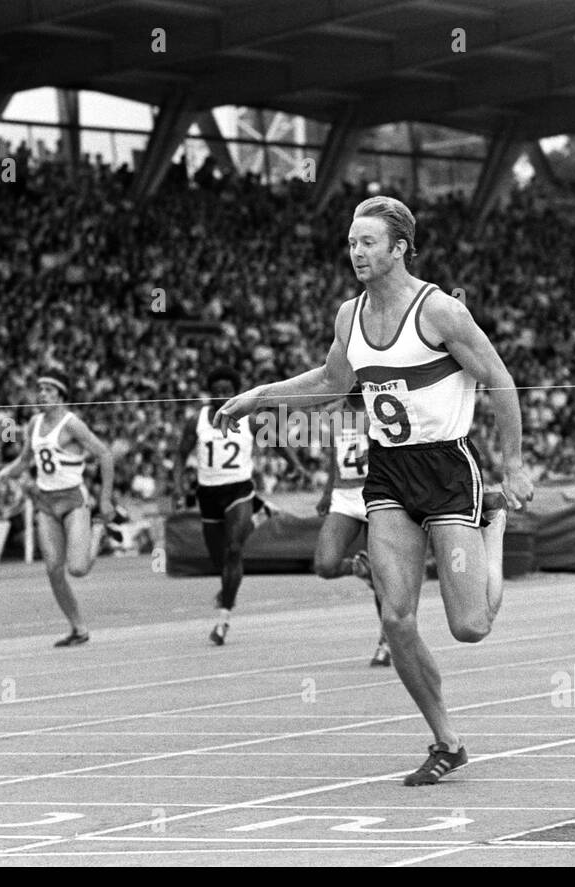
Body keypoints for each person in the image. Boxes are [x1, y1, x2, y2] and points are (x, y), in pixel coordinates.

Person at [213, 196, 532, 785]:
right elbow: (332, 384)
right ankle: (447, 740)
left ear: (399, 248)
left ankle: (492, 529)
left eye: (367, 243)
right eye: (352, 242)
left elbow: (500, 379)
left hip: (446, 471)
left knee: (470, 627)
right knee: (397, 618)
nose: (356, 252)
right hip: (387, 475)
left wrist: (512, 466)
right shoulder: (348, 316)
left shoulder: (439, 312)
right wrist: (262, 394)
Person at [0, 369, 114, 647]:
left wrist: (104, 500)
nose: (41, 394)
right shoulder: (33, 423)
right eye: (40, 389)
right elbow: (25, 460)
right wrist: (3, 473)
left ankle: (97, 531)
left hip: (72, 500)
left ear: (60, 395)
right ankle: (78, 628)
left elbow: (104, 454)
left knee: (78, 569)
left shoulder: (73, 424)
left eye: (48, 389)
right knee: (53, 570)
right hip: (46, 502)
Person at [175, 366, 261, 646]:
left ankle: (223, 619)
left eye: (227, 391)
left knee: (235, 549)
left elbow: (279, 441)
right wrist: (178, 488)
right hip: (208, 493)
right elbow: (180, 455)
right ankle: (227, 587)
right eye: (217, 391)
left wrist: (296, 466)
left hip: (239, 489)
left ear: (236, 392)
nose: (222, 395)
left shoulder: (249, 419)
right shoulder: (196, 421)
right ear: (209, 393)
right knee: (219, 561)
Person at [314, 385, 389, 667]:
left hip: (378, 493)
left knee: (384, 578)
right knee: (325, 564)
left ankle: (386, 640)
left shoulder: (381, 405)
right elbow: (335, 453)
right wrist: (327, 491)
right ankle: (361, 567)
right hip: (344, 496)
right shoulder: (333, 412)